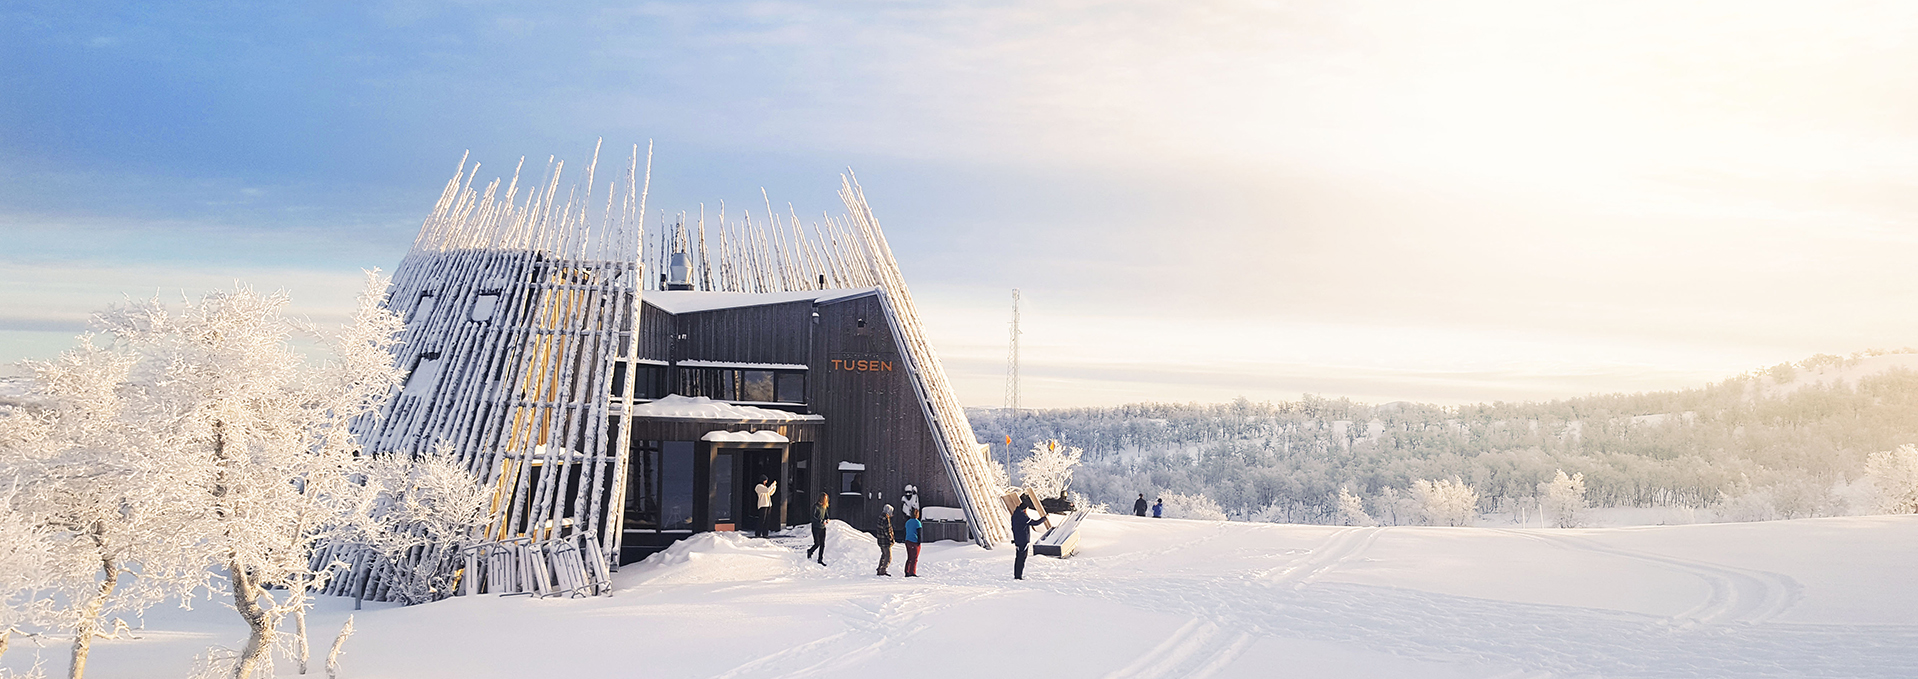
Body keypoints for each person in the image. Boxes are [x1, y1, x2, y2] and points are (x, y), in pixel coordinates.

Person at [1009, 496, 1046, 580]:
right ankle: (1018, 576)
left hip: (1018, 539)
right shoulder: (1022, 516)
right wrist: (1044, 518)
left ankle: (1017, 575)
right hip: (1022, 540)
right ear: (1025, 509)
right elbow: (1034, 523)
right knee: (1021, 558)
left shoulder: (1015, 514)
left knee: (1018, 557)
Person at [805, 493, 830, 565]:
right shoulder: (816, 506)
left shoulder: (824, 507)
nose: (826, 500)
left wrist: (827, 519)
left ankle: (820, 559)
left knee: (822, 544)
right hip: (816, 527)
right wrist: (820, 521)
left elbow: (826, 515)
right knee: (817, 543)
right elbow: (812, 517)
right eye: (825, 498)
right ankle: (810, 551)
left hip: (823, 528)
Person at [875, 504, 896, 576]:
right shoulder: (886, 518)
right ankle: (883, 570)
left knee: (883, 554)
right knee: (888, 556)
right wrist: (891, 538)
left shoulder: (880, 517)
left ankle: (879, 568)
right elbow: (887, 530)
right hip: (885, 541)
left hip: (880, 540)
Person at [903, 508, 923, 577]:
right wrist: (919, 541)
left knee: (909, 557)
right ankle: (912, 572)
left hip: (907, 540)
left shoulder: (907, 522)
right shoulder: (917, 522)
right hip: (914, 541)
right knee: (914, 558)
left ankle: (907, 570)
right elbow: (919, 533)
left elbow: (905, 531)